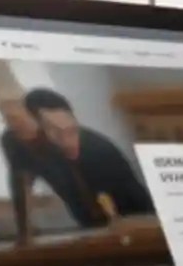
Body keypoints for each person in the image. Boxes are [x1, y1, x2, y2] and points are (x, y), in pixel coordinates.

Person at [18, 87, 156, 230]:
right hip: (89, 229)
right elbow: (23, 183)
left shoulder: (99, 151)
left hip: (133, 224)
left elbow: (138, 207)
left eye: (72, 131)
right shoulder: (34, 150)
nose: (69, 142)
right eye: (56, 132)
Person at [0, 96, 80, 244]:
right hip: (30, 167)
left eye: (15, 116)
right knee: (18, 186)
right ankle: (25, 234)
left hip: (63, 166)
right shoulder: (8, 139)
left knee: (73, 191)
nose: (12, 122)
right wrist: (25, 230)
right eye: (6, 117)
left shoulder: (49, 130)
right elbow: (20, 179)